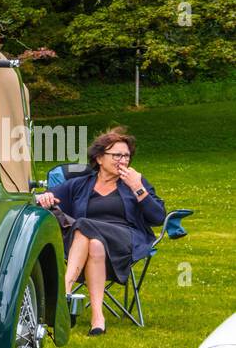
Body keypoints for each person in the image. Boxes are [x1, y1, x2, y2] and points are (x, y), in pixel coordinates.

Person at [35, 128, 165, 335]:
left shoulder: (135, 182)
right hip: (86, 245)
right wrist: (44, 198)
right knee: (94, 241)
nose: (123, 160)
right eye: (116, 155)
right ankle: (98, 319)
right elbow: (45, 196)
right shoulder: (80, 184)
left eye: (126, 156)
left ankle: (64, 290)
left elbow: (158, 217)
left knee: (84, 223)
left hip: (124, 239)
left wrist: (138, 188)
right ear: (99, 158)